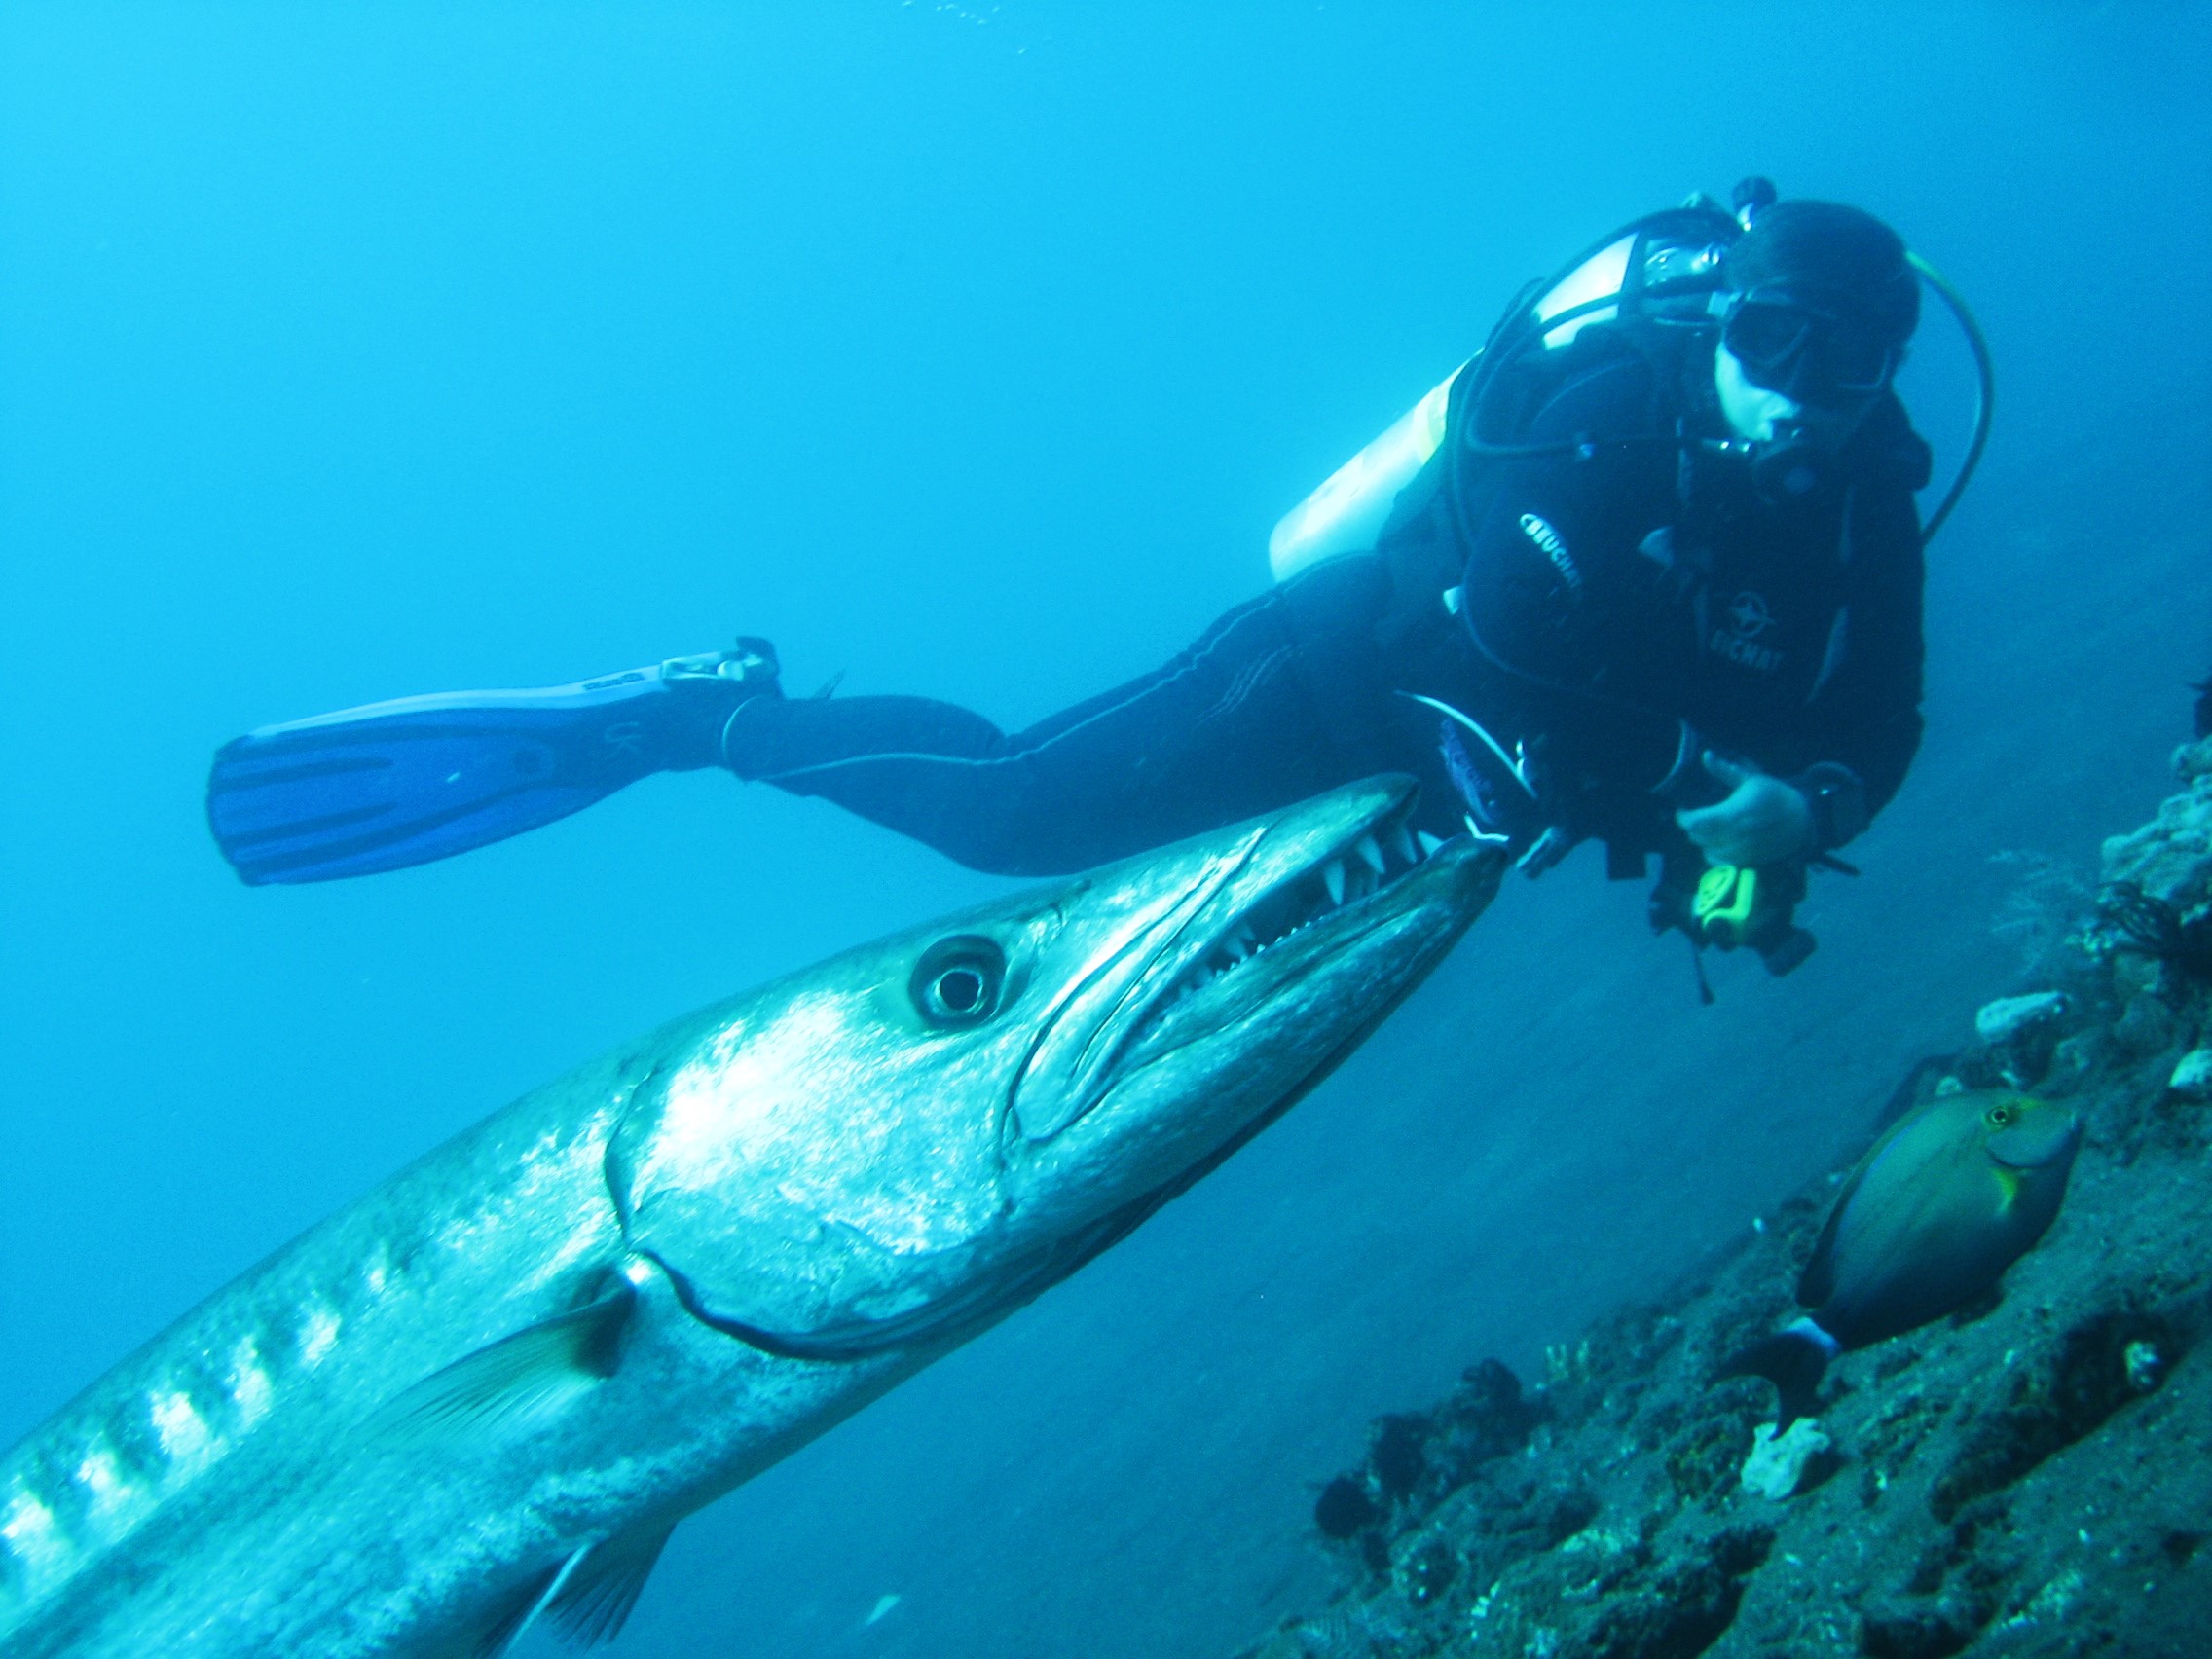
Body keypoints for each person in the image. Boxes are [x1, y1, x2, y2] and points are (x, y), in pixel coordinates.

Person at [208, 182, 1958, 969]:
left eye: (1844, 359)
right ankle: (707, 718)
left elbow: (1881, 710)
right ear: (1720, 323)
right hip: (1339, 675)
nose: (1798, 388)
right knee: (1030, 821)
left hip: (1493, 795)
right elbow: (1505, 627)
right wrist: (1682, 780)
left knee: (1194, 987)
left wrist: (1797, 801)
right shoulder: (1603, 410)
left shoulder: (1863, 497)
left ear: (1887, 370)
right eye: (1771, 339)